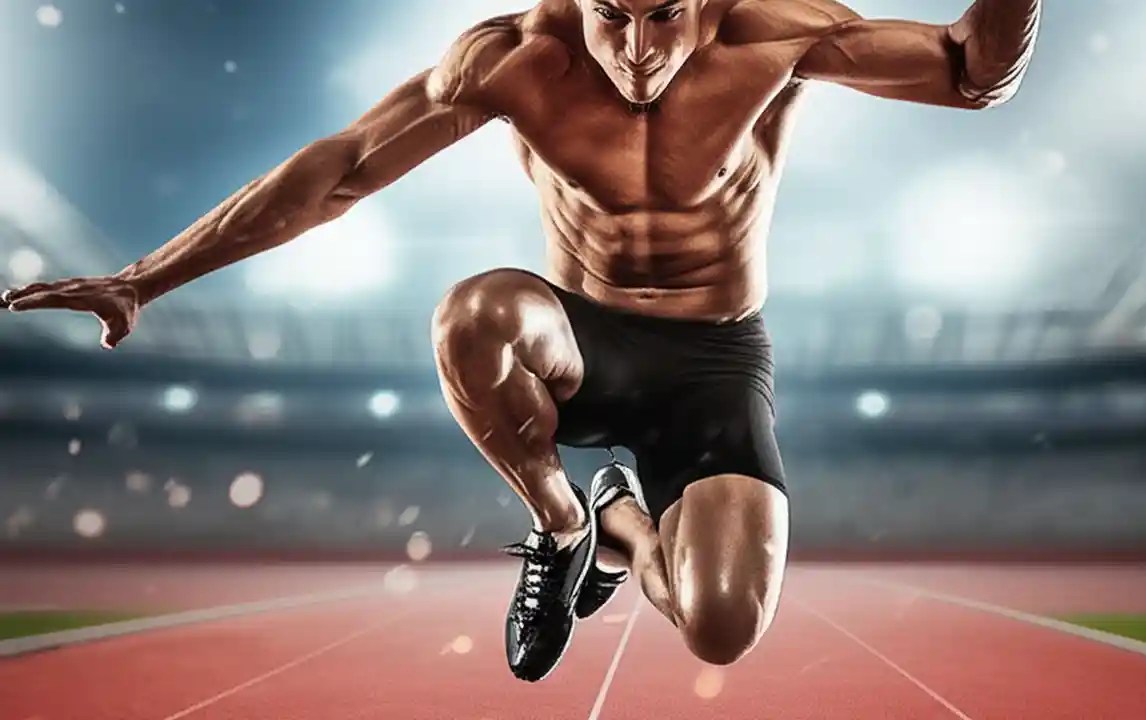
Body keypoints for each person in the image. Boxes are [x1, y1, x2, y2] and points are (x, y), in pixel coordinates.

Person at [2, 0, 1041, 682]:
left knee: (721, 630)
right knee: (470, 312)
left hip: (713, 366)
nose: (637, 51)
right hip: (580, 338)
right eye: (610, 16)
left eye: (665, 17)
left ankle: (620, 524)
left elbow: (969, 73)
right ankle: (555, 525)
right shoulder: (510, 58)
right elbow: (342, 169)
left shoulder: (773, 33)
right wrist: (145, 280)